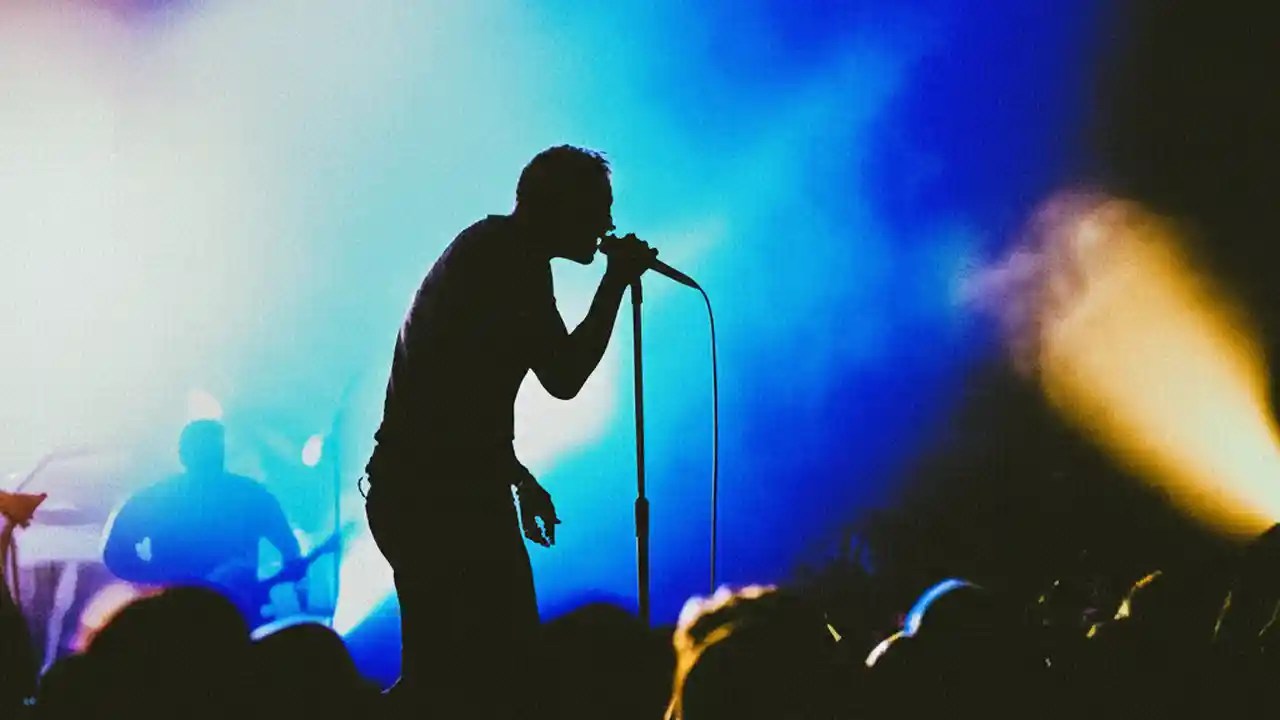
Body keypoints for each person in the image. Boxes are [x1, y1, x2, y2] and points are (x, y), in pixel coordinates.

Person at [363, 144, 654, 717]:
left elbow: (458, 397)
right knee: (489, 672)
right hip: (437, 499)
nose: (608, 226)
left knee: (460, 674)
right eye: (597, 209)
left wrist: (516, 477)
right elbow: (563, 375)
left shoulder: (500, 252)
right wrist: (615, 282)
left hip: (433, 489)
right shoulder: (504, 258)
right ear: (559, 207)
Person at [101, 420, 302, 626]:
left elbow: (115, 554)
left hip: (182, 611)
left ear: (183, 455)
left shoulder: (155, 499)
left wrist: (158, 577)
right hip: (233, 611)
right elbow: (291, 553)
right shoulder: (251, 494)